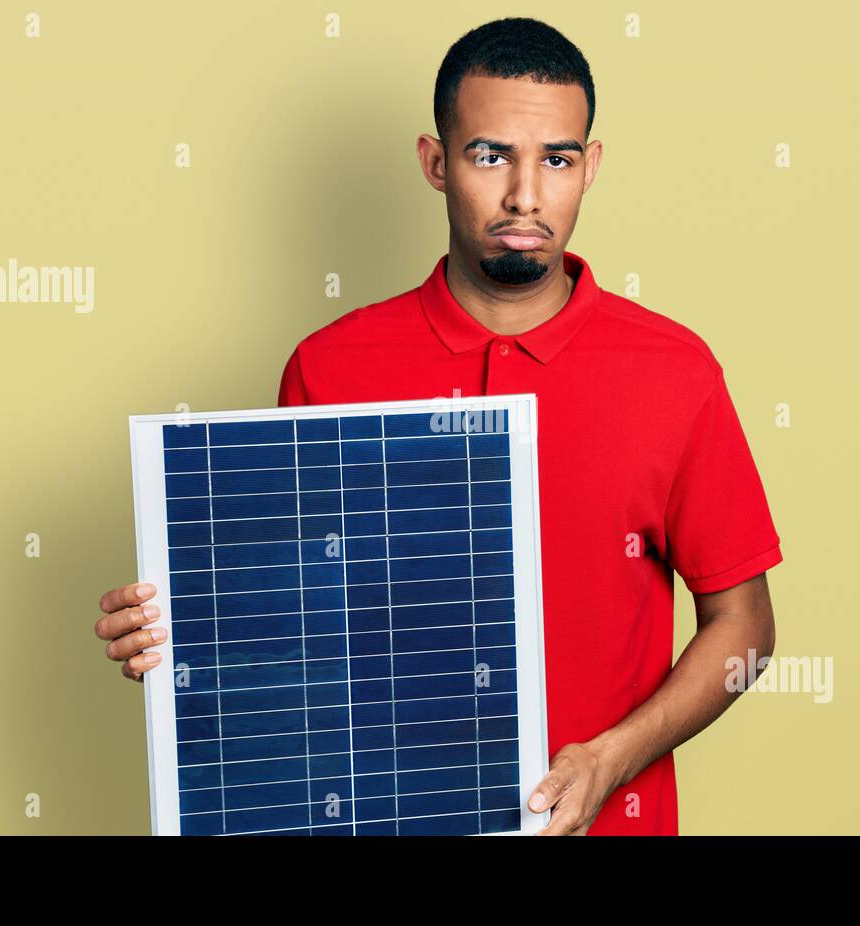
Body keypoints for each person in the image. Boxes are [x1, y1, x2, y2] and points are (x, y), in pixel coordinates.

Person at [95, 16, 782, 836]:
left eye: (556, 160)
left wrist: (611, 759)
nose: (525, 195)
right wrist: (186, 647)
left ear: (590, 167)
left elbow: (745, 626)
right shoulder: (330, 368)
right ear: (435, 162)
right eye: (490, 155)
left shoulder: (675, 371)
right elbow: (294, 627)